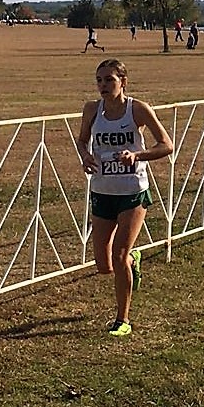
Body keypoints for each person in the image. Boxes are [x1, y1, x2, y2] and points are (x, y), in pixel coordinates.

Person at [76, 59, 174, 336]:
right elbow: (82, 140)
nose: (103, 86)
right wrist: (85, 156)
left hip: (132, 190)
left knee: (118, 256)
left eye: (109, 79)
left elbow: (166, 145)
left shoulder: (138, 109)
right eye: (99, 80)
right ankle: (133, 262)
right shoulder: (92, 110)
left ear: (123, 81)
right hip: (102, 189)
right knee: (104, 265)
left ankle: (123, 320)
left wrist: (137, 155)